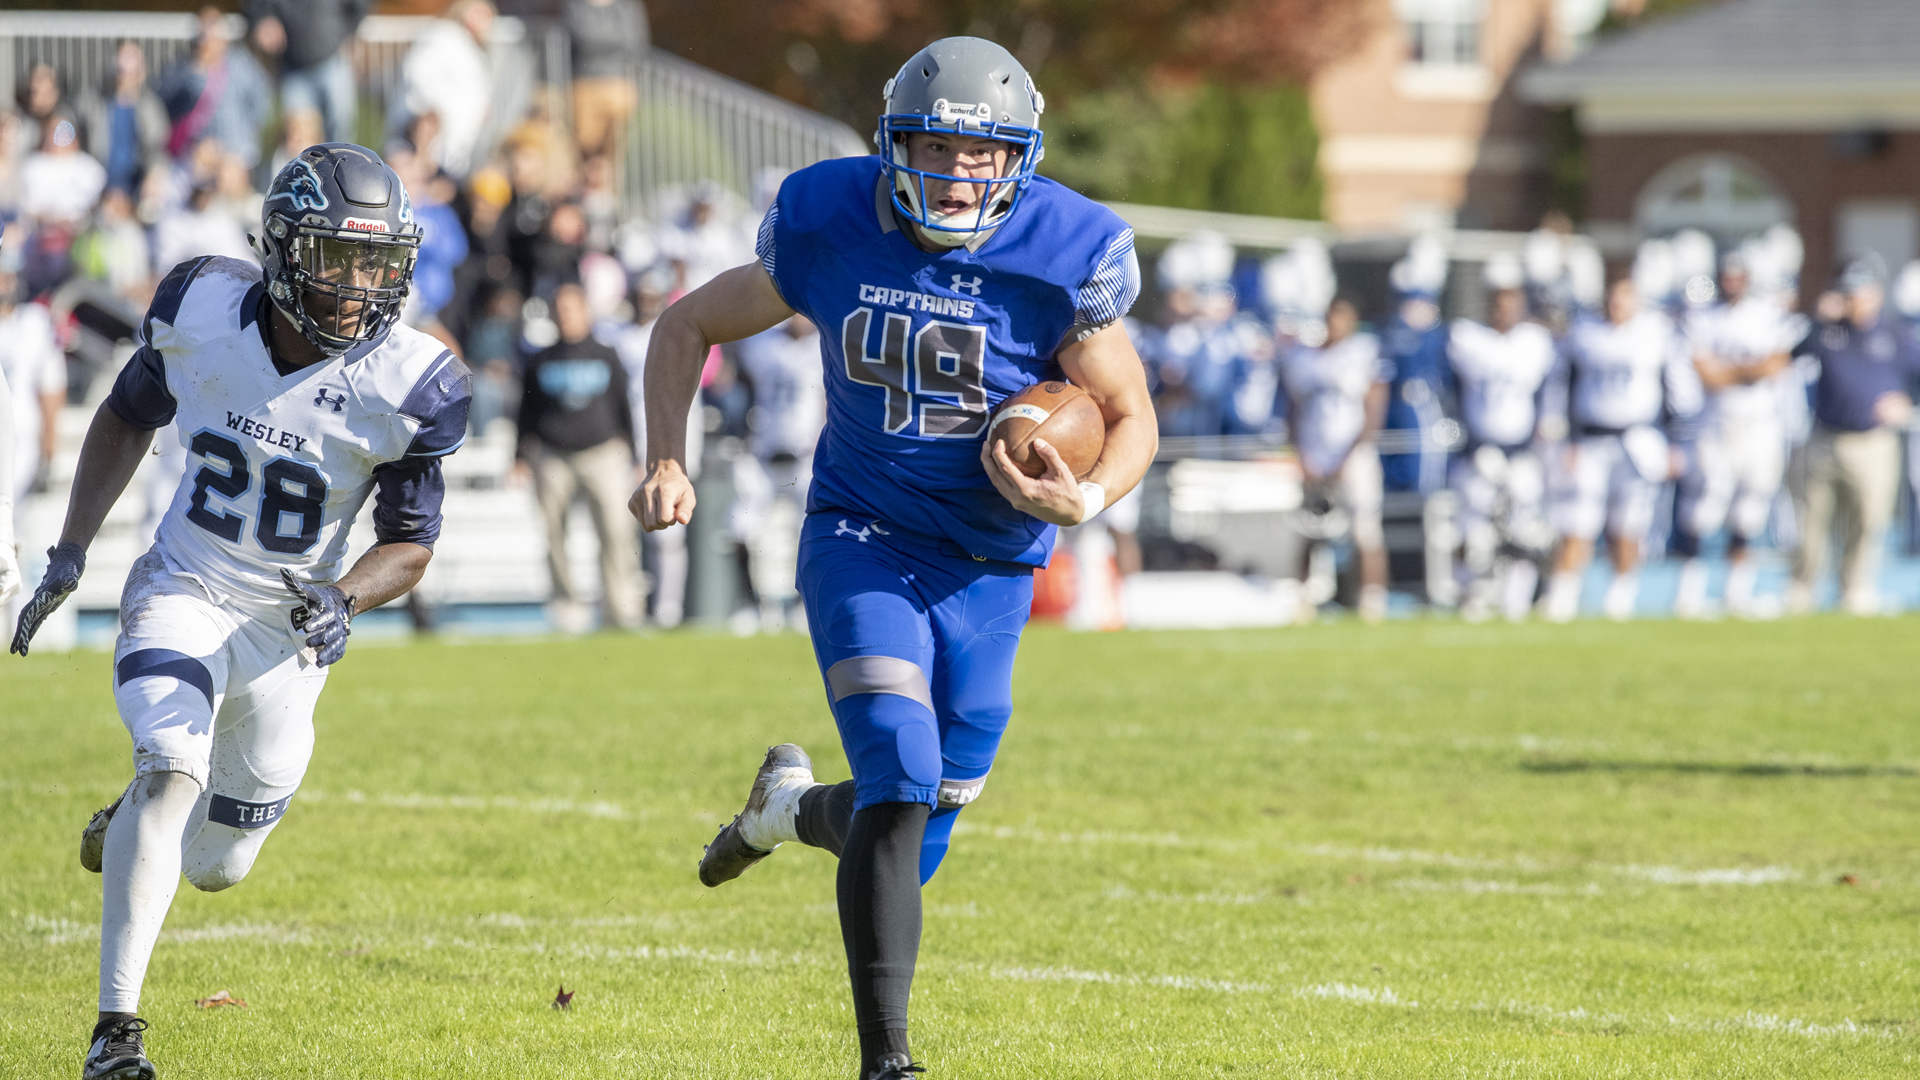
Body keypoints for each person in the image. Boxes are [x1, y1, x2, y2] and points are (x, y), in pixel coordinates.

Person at [633, 39, 1154, 1080]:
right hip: (861, 536)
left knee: (922, 822)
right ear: (894, 144)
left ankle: (783, 812)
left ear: (1019, 157)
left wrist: (1086, 496)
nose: (959, 173)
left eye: (982, 152)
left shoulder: (1063, 248)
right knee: (902, 772)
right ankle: (888, 1063)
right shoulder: (830, 217)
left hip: (994, 564)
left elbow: (1131, 413)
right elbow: (688, 324)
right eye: (937, 147)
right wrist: (665, 458)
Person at [7, 143, 466, 1080]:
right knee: (172, 769)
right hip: (184, 583)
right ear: (284, 251)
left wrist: (344, 596)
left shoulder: (410, 381)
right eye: (338, 258)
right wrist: (71, 549)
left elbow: (411, 542)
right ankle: (115, 1034)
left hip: (288, 629)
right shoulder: (202, 307)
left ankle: (135, 814)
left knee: (218, 866)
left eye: (375, 263)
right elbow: (127, 414)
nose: (358, 287)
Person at [1543, 277, 1701, 622]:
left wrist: (1677, 443)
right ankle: (1564, 595)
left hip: (1638, 440)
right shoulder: (1584, 334)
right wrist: (1566, 438)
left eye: (1625, 298)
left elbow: (1680, 392)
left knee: (1629, 524)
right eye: (1613, 298)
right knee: (1577, 519)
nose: (1618, 306)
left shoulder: (1657, 334)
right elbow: (1563, 387)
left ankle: (1621, 596)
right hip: (1590, 438)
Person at [1672, 254, 1802, 618]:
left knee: (1749, 509)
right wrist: (1747, 371)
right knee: (1705, 506)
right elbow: (1705, 373)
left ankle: (1736, 591)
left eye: (1737, 276)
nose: (1731, 283)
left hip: (1759, 423)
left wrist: (1729, 371)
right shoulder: (1704, 317)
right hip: (1717, 424)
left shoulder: (1766, 314)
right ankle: (1689, 591)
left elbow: (1776, 364)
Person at [1786, 259, 1920, 615]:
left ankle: (1855, 589)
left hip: (1872, 441)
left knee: (1867, 520)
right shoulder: (1827, 332)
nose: (1851, 300)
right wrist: (1818, 319)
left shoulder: (1895, 336)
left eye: (1857, 292)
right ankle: (1802, 589)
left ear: (1875, 294)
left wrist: (1908, 403)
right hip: (1825, 437)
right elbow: (1791, 355)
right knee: (1811, 520)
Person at [517, 281, 641, 631]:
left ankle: (621, 610)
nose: (566, 315)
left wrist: (635, 455)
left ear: (586, 311)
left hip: (603, 454)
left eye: (572, 308)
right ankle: (567, 608)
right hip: (553, 456)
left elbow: (624, 406)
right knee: (554, 535)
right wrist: (519, 456)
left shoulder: (607, 354)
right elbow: (525, 412)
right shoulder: (540, 359)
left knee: (616, 533)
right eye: (560, 309)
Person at [1444, 283, 1557, 621]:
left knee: (1524, 527)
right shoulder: (1469, 340)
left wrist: (1535, 447)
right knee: (1473, 529)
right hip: (1479, 451)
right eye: (1499, 305)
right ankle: (1470, 594)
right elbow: (1450, 392)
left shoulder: (1534, 343)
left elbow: (1547, 397)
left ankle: (1516, 599)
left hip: (1520, 450)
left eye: (1511, 306)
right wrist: (1471, 445)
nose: (1504, 312)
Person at [1280, 294, 1391, 622]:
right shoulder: (1304, 359)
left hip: (1353, 453)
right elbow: (1293, 411)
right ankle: (1302, 598)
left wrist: (1349, 457)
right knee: (1310, 528)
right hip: (1315, 456)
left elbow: (1374, 409)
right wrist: (1302, 455)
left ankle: (1372, 600)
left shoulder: (1363, 353)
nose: (1335, 324)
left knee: (1364, 529)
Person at [611, 266, 700, 627]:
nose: (646, 302)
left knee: (669, 530)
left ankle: (668, 608)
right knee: (624, 530)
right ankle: (631, 608)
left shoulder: (679, 333)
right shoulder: (620, 337)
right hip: (629, 436)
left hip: (669, 437)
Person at [732, 313, 825, 631]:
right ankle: (749, 604)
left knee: (812, 532)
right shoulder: (762, 343)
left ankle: (803, 604)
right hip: (763, 454)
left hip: (806, 457)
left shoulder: (824, 345)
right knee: (740, 527)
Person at [155, 8, 272, 169]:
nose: (206, 41)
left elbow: (262, 102)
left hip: (237, 151)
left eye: (212, 33)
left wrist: (247, 134)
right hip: (196, 153)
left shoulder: (241, 64)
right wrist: (196, 72)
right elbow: (164, 103)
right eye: (202, 34)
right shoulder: (183, 69)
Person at [395, 0, 495, 180]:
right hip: (434, 137)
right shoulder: (441, 38)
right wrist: (433, 110)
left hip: (456, 143)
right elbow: (418, 74)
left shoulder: (468, 48)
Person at [246, 0, 369, 145]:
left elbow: (359, 5)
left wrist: (348, 33)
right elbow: (255, 5)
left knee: (340, 131)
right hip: (293, 66)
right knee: (297, 139)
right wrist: (262, 18)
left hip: (333, 59)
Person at [78, 41, 170, 198]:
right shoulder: (92, 104)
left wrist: (153, 174)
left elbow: (158, 148)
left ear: (142, 73)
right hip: (98, 187)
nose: (125, 76)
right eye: (121, 69)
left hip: (138, 187)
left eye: (132, 70)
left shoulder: (151, 108)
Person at [564, 0, 647, 159]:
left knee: (613, 150)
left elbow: (635, 42)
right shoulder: (576, 5)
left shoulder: (626, 6)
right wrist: (613, 45)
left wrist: (598, 43)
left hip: (619, 84)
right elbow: (582, 37)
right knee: (583, 148)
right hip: (584, 83)